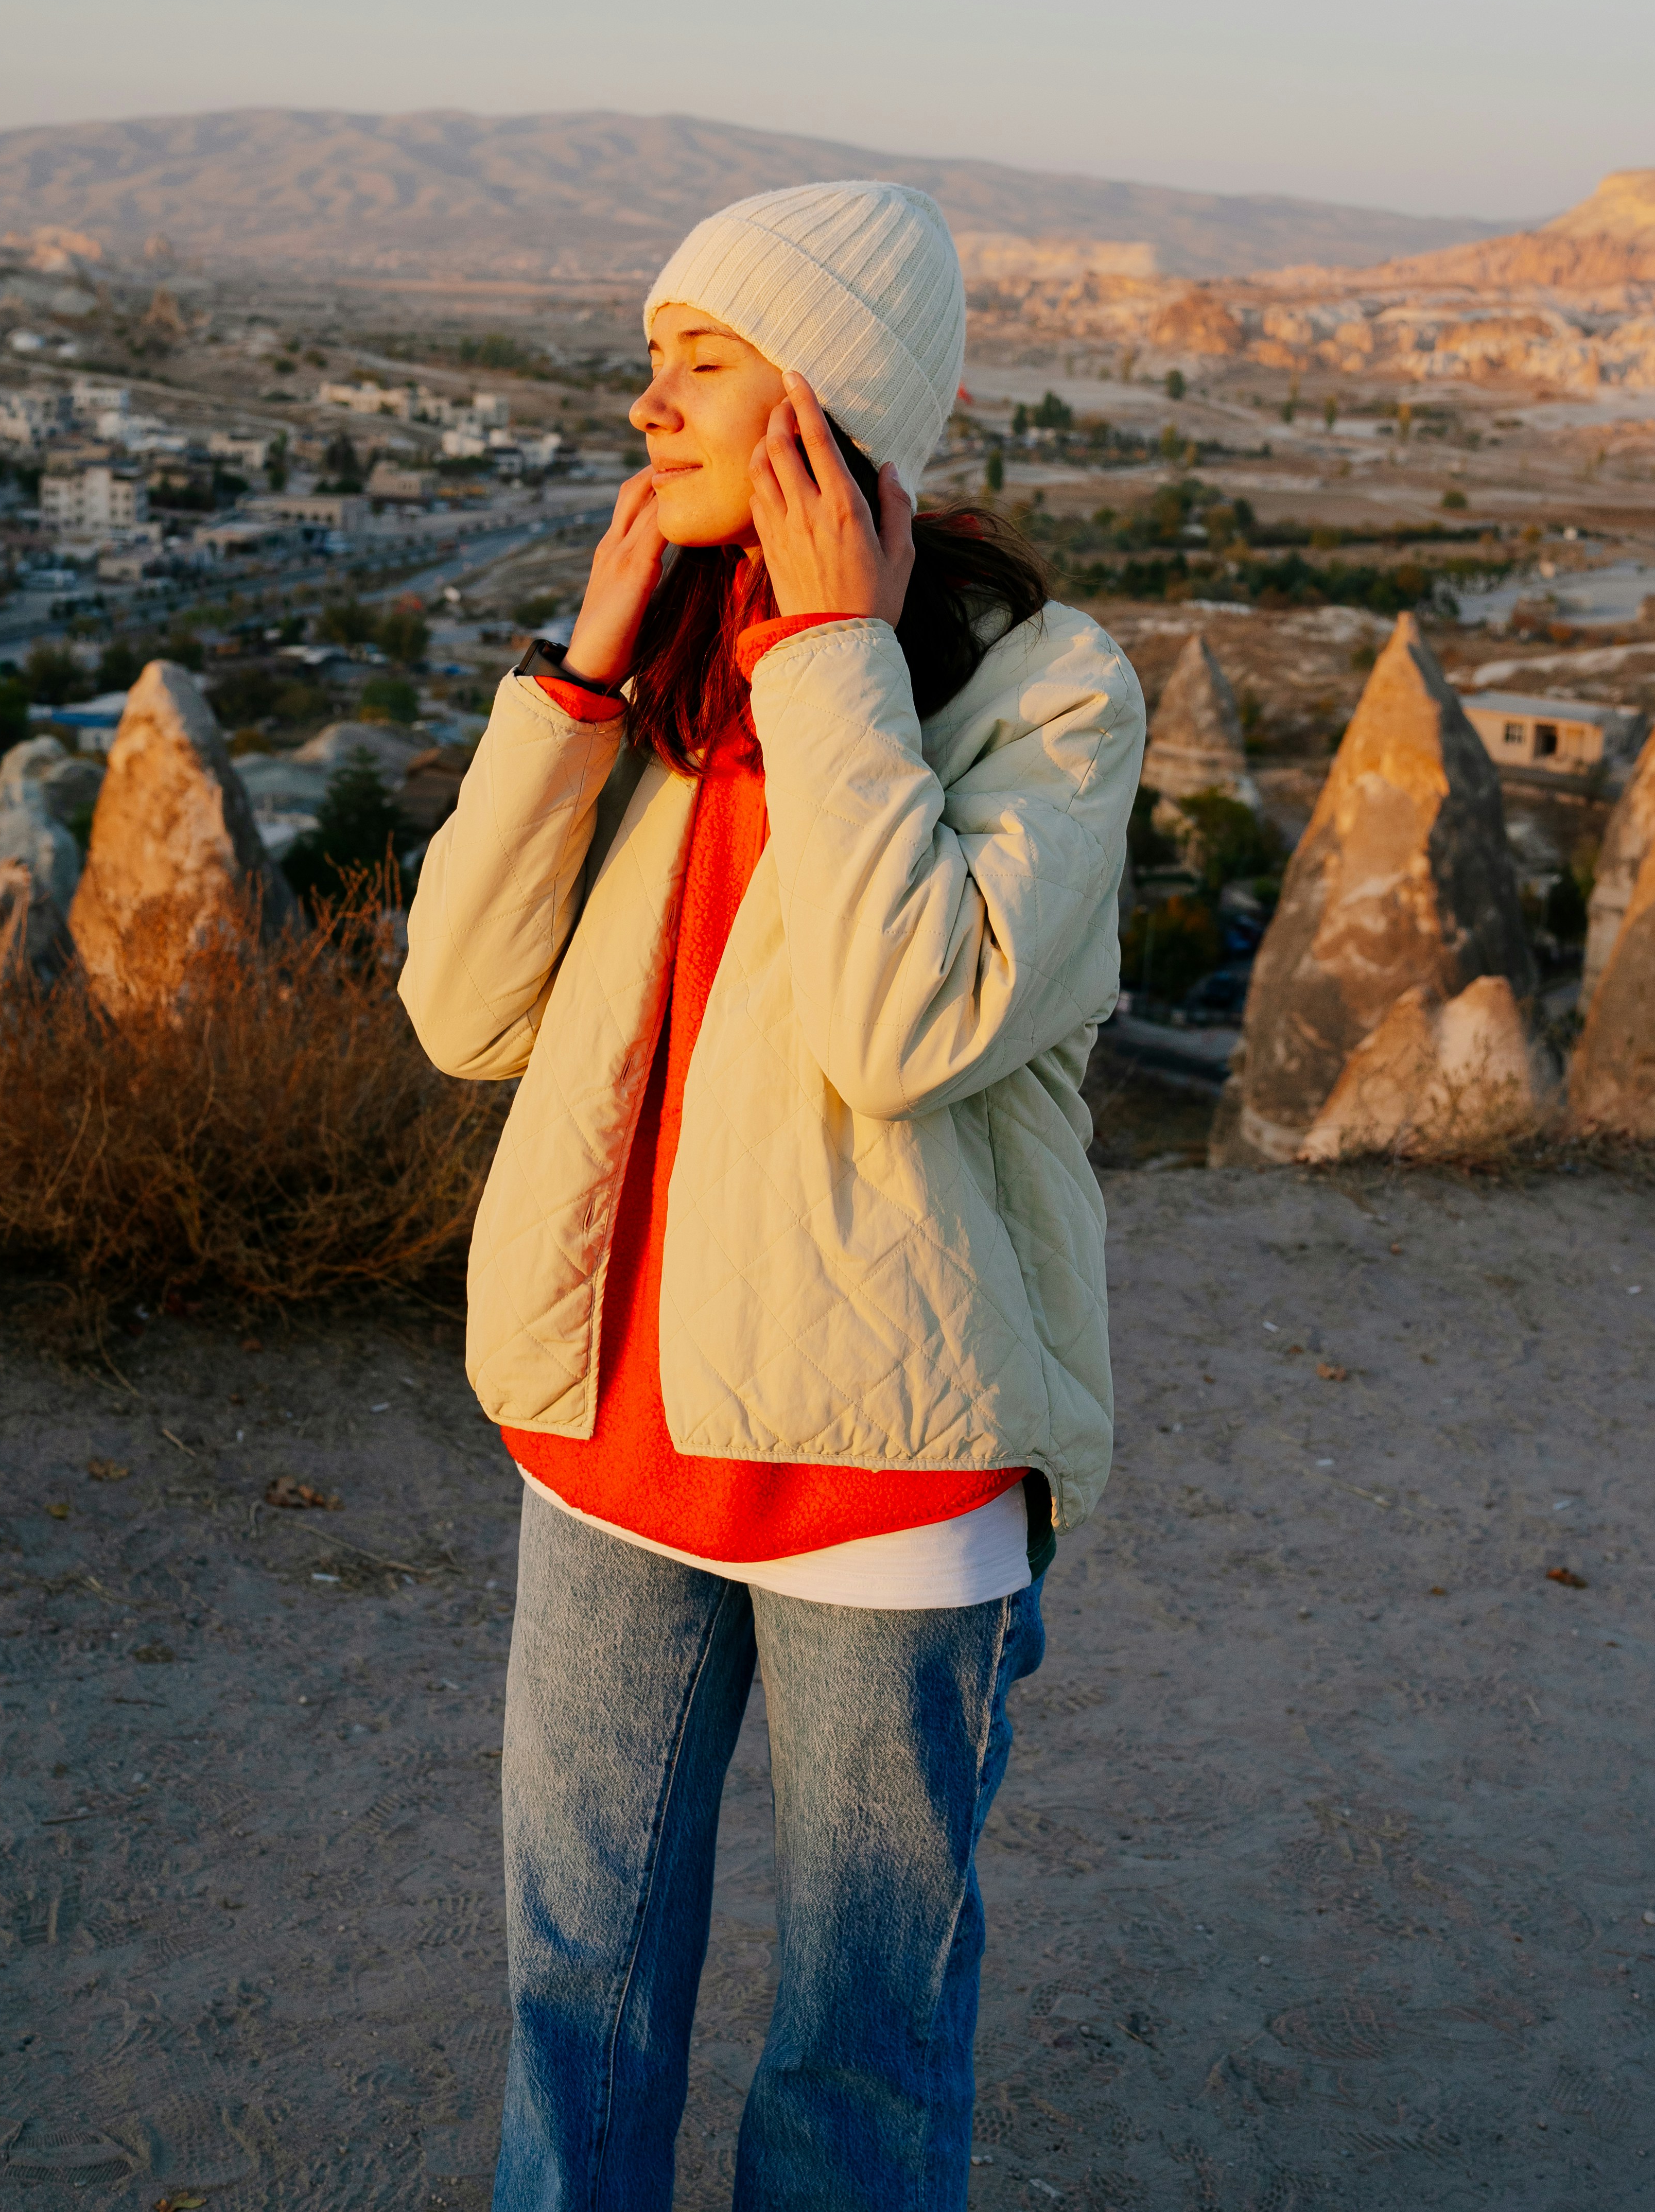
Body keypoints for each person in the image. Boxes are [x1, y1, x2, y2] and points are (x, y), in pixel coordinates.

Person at [400, 178, 1145, 2210]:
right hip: (601, 1446)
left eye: (702, 359)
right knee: (577, 2006)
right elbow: (459, 1013)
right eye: (652, 356)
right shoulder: (666, 679)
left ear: (830, 404)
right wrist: (577, 679)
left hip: (879, 1483)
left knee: (856, 2049)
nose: (646, 401)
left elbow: (912, 1024)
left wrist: (831, 656)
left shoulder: (1045, 692)